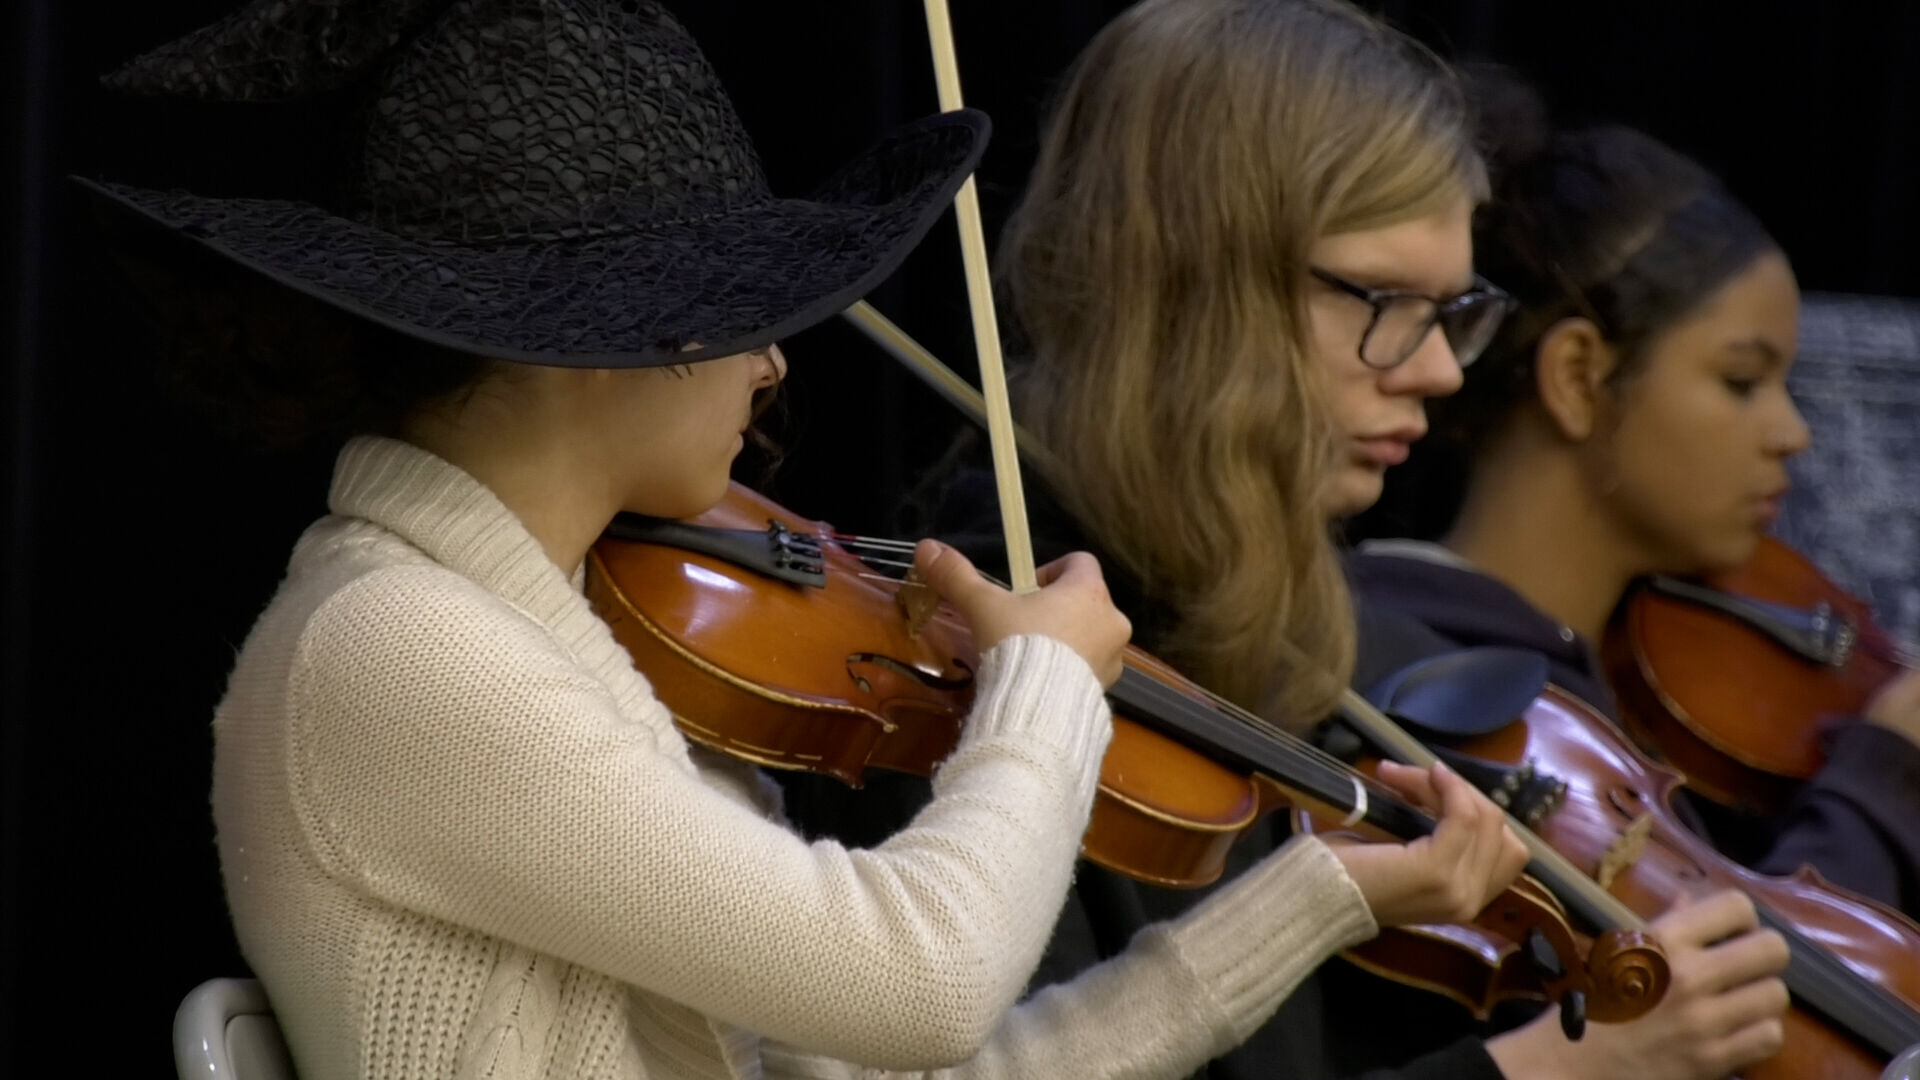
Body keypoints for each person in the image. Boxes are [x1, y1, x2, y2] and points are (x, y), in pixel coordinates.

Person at [82, 1, 1528, 1078]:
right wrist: (1043, 691)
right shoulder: (393, 647)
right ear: (607, 341)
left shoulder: (552, 636)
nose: (774, 364)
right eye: (744, 309)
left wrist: (1316, 895)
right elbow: (920, 982)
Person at [905, 3, 1798, 1078]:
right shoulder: (959, 653)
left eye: (1454, 308)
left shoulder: (1316, 645)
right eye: (1387, 302)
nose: (1442, 370)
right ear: (1199, 285)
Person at [1347, 78, 1920, 920]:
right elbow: (1713, 998)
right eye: (1741, 380)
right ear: (1579, 377)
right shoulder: (1423, 682)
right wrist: (1885, 773)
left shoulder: (1630, 674)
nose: (1791, 432)